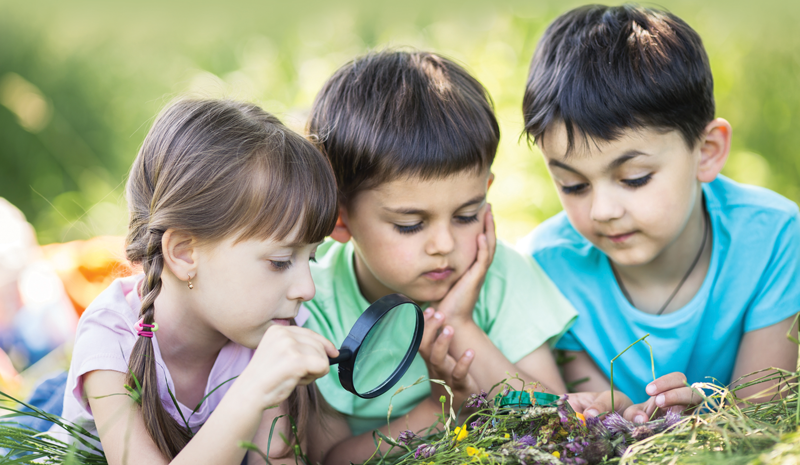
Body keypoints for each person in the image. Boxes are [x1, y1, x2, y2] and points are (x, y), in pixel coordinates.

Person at [517, 4, 799, 421]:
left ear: (707, 152)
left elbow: (762, 416)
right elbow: (598, 417)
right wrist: (611, 412)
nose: (603, 211)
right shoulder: (547, 267)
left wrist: (708, 417)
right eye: (573, 185)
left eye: (634, 178)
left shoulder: (773, 238)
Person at [302, 49, 583, 463]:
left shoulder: (500, 275)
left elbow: (555, 422)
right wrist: (439, 410)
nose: (444, 245)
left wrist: (459, 323)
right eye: (410, 224)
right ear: (339, 217)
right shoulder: (313, 306)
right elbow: (329, 459)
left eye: (467, 215)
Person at [55, 99, 350, 464]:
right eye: (279, 262)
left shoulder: (263, 330)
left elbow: (274, 458)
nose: (307, 288)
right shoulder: (111, 340)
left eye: (311, 257)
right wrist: (253, 389)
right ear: (183, 253)